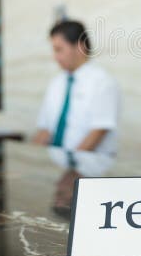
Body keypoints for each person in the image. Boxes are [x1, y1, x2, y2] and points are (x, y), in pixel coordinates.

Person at [31, 20, 119, 160]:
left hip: (89, 170)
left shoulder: (102, 82)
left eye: (59, 50)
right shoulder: (56, 83)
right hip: (57, 167)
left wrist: (71, 166)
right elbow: (46, 130)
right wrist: (31, 159)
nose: (55, 57)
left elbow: (98, 131)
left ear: (80, 47)